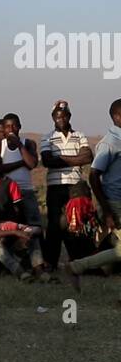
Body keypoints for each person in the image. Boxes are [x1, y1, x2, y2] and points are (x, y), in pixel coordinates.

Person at [66, 98, 121, 287]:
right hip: (114, 202)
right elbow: (94, 175)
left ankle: (78, 266)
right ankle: (78, 266)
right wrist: (106, 210)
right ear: (117, 116)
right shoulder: (110, 143)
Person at [39, 100, 91, 270]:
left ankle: (79, 261)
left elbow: (87, 158)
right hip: (55, 187)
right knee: (54, 224)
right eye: (57, 117)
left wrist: (60, 159)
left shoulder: (80, 135)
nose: (60, 119)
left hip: (75, 187)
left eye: (63, 116)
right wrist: (74, 160)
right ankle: (51, 263)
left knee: (77, 224)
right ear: (53, 118)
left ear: (69, 116)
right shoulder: (47, 137)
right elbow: (47, 161)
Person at [0, 113, 41, 226]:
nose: (11, 129)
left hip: (26, 190)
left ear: (20, 126)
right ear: (3, 128)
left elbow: (31, 164)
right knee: (10, 225)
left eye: (14, 126)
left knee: (34, 225)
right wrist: (22, 162)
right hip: (7, 192)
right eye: (8, 126)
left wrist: (20, 145)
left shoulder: (28, 143)